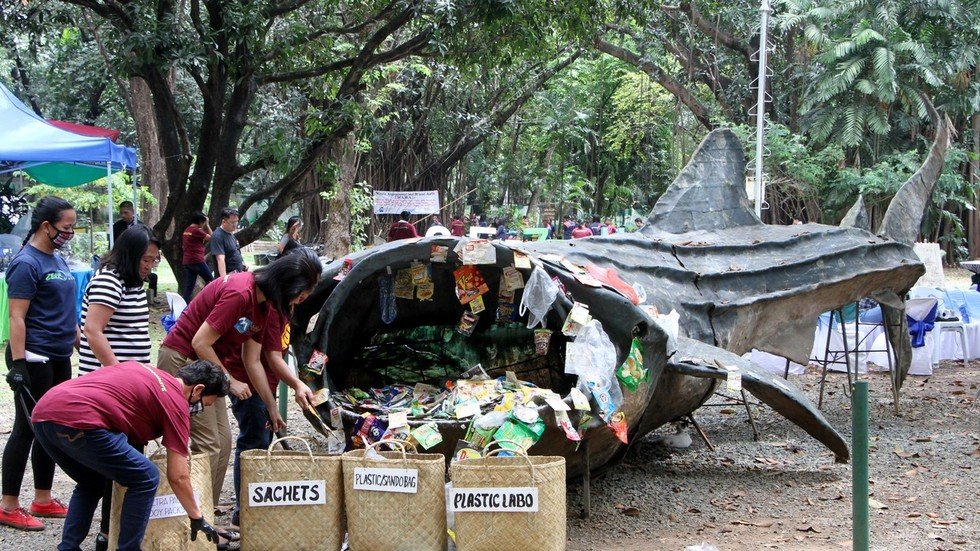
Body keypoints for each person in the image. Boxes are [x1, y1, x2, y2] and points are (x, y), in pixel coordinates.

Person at [156, 250, 320, 536]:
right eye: (301, 295)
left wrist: (271, 405)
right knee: (207, 444)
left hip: (207, 368)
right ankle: (192, 521)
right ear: (288, 287)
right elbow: (200, 342)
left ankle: (203, 516)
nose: (300, 302)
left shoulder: (263, 305)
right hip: (184, 361)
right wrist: (230, 381)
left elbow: (253, 360)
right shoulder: (240, 293)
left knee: (222, 442)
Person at [31, 360, 226, 550]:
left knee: (91, 482)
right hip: (81, 422)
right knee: (146, 477)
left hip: (42, 415)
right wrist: (196, 516)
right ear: (198, 390)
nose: (198, 410)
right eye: (204, 404)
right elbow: (179, 476)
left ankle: (68, 547)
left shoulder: (145, 369)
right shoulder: (177, 403)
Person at [1, 196, 76, 531]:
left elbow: (62, 304)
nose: (70, 233)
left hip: (59, 355)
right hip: (32, 357)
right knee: (27, 428)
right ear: (46, 226)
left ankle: (42, 499)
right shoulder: (26, 263)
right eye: (66, 227)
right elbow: (16, 316)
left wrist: (74, 334)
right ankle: (7, 505)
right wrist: (18, 364)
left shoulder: (55, 258)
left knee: (51, 427)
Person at [112, 201, 158, 302]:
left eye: (126, 213)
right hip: (122, 259)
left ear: (132, 212)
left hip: (138, 259)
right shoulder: (116, 227)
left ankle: (151, 298)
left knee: (152, 276)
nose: (123, 215)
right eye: (121, 213)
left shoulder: (141, 226)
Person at [181, 211, 214, 304]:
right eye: (203, 222)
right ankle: (203, 301)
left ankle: (183, 306)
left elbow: (199, 234)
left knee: (189, 287)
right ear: (200, 222)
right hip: (197, 261)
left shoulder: (187, 230)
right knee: (211, 281)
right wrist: (207, 225)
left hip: (188, 261)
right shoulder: (197, 231)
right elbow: (213, 238)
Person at [211, 207, 244, 277]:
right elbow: (220, 259)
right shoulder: (218, 236)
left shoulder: (230, 233)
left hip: (238, 273)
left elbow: (235, 251)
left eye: (237, 221)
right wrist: (224, 279)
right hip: (229, 276)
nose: (235, 224)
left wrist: (242, 263)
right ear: (224, 222)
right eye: (232, 222)